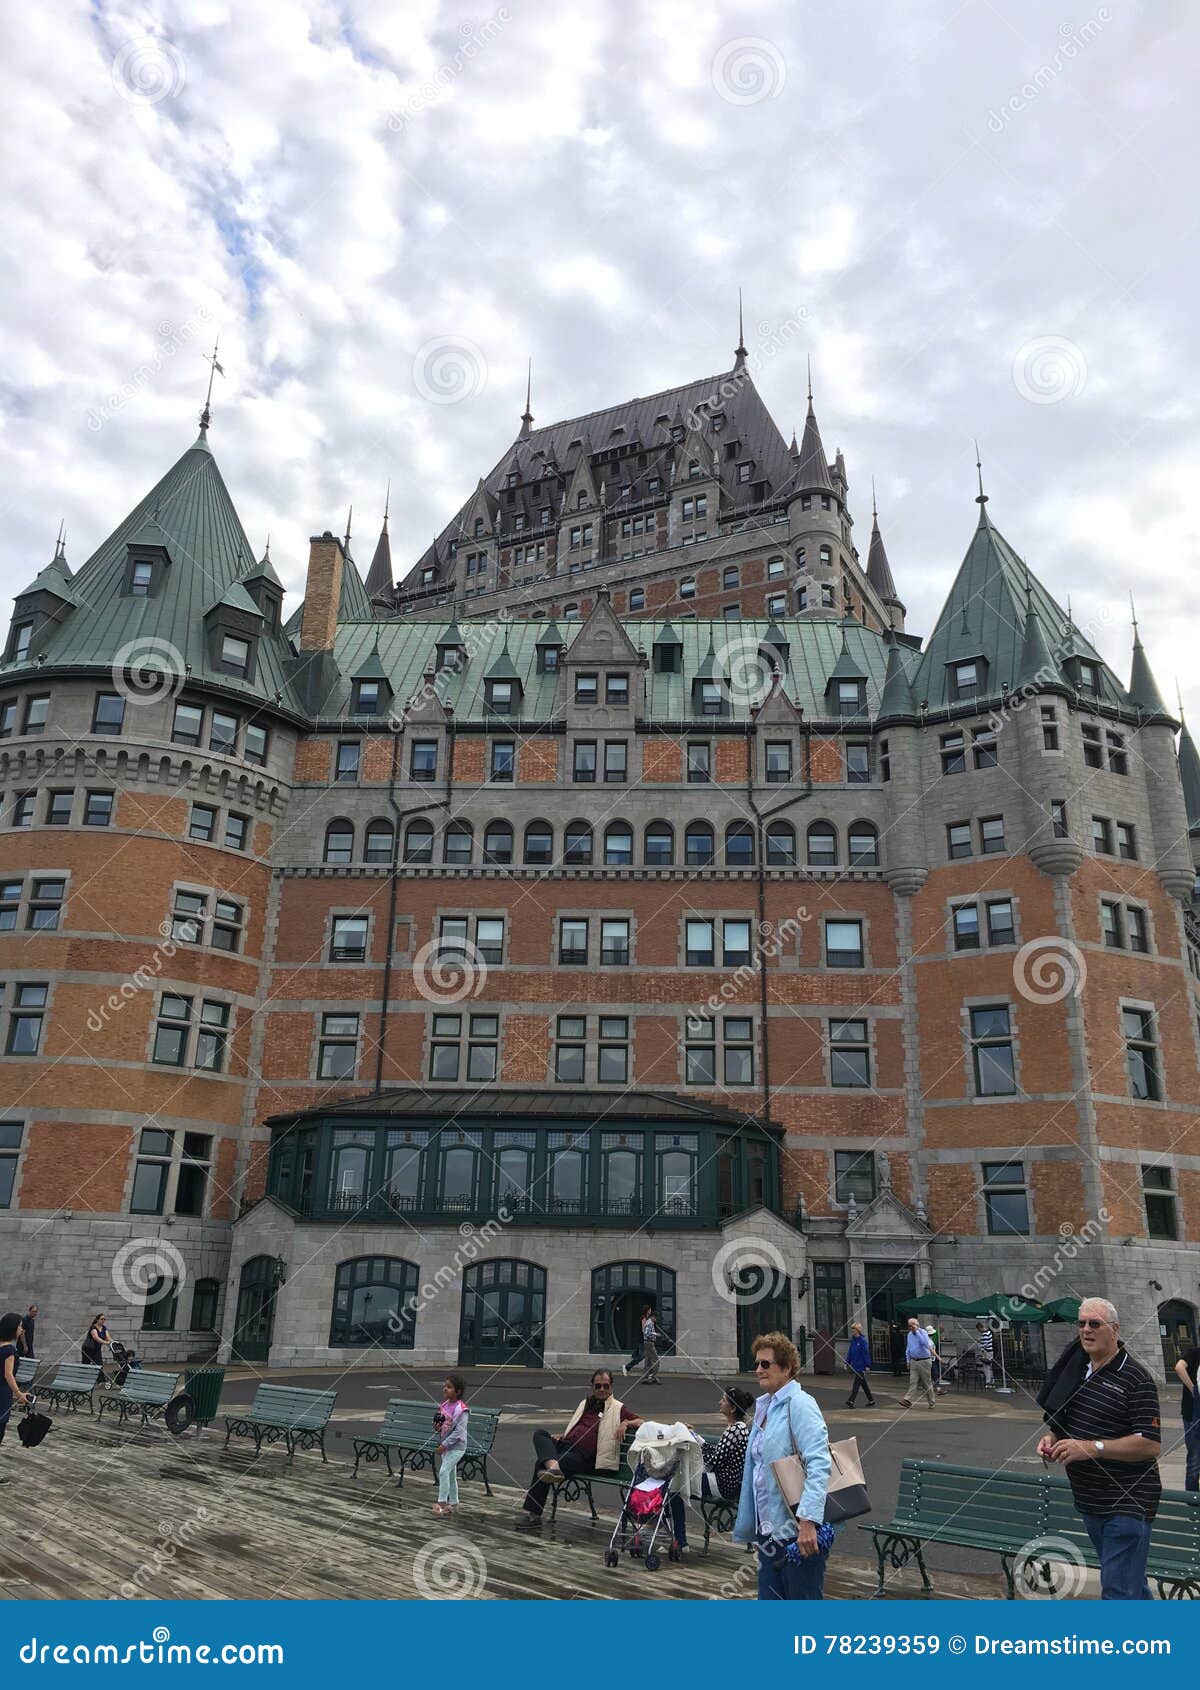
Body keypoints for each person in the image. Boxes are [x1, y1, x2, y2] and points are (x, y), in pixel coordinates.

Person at [1036, 1296, 1162, 1600]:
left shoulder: (1137, 1379)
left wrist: (1094, 1447)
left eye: (1095, 1323)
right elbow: (1064, 1424)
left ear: (1115, 1329)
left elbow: (1150, 1443)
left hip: (1127, 1500)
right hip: (1091, 1500)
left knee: (1118, 1592)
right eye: (1081, 1324)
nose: (1086, 1330)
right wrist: (1051, 1438)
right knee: (1131, 1587)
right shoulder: (1077, 1371)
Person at [733, 1331, 834, 1600]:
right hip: (770, 1531)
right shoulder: (766, 1407)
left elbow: (819, 1462)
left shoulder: (800, 1404)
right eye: (756, 1364)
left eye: (766, 1364)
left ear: (787, 1367)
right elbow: (758, 1472)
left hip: (798, 1531)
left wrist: (808, 1522)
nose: (758, 1370)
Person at [519, 1369, 641, 1525]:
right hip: (567, 1446)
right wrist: (565, 1436)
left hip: (588, 1458)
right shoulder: (586, 1404)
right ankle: (553, 1465)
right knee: (540, 1434)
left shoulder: (618, 1408)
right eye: (598, 1386)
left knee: (540, 1463)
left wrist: (626, 1423)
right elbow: (578, 1426)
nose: (602, 1389)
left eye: (605, 1386)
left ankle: (534, 1516)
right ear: (592, 1387)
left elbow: (642, 1422)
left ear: (612, 1387)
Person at [0, 1312, 31, 1482]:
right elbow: (8, 1374)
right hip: (3, 1395)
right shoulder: (9, 1349)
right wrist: (19, 1393)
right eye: (19, 1326)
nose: (21, 1329)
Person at [432, 1373, 468, 1517]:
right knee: (451, 1475)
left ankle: (441, 1503)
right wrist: (437, 1427)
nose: (445, 1389)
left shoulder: (461, 1410)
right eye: (444, 1386)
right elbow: (442, 1425)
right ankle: (454, 1503)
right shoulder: (444, 1406)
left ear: (457, 1391)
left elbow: (459, 1432)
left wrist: (444, 1444)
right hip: (447, 1446)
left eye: (449, 1387)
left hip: (457, 1447)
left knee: (443, 1471)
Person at [1173, 1342, 1200, 1492]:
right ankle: (1193, 1503)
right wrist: (1194, 1391)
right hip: (1192, 1414)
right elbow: (1179, 1367)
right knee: (1195, 1459)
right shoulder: (1194, 1353)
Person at [900, 1317, 937, 1409]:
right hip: (914, 1361)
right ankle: (907, 1399)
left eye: (913, 1325)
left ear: (917, 1325)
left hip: (924, 1361)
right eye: (909, 1326)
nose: (911, 1328)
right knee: (913, 1381)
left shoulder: (923, 1332)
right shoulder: (909, 1335)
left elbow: (924, 1343)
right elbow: (908, 1348)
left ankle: (931, 1402)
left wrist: (917, 1332)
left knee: (926, 1383)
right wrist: (908, 1360)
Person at [844, 1322, 875, 1407]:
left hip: (861, 1366)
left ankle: (851, 1400)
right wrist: (847, 1362)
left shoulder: (862, 1341)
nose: (853, 1331)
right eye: (852, 1329)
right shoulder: (853, 1341)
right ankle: (871, 1400)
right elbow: (850, 1352)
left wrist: (868, 1365)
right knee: (863, 1384)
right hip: (855, 1365)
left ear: (858, 1330)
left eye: (854, 1329)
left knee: (856, 1384)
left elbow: (865, 1353)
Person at [634, 1304, 663, 1386]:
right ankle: (653, 1376)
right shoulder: (650, 1323)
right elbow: (646, 1333)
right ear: (653, 1317)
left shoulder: (649, 1322)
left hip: (647, 1342)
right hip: (649, 1342)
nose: (656, 1319)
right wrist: (656, 1334)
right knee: (656, 1360)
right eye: (656, 1317)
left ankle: (646, 1377)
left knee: (648, 1360)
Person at [81, 1313, 111, 1382]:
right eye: (102, 1319)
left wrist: (113, 1343)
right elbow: (96, 1338)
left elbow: (108, 1337)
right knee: (85, 1364)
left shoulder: (104, 1328)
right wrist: (106, 1343)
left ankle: (101, 1381)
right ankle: (82, 1379)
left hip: (97, 1349)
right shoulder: (93, 1327)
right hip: (88, 1349)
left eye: (104, 1319)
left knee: (99, 1364)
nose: (103, 1321)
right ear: (97, 1319)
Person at [976, 1320, 995, 1388]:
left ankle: (988, 1382)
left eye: (978, 1329)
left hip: (987, 1352)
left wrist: (979, 1342)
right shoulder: (989, 1332)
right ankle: (992, 1382)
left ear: (980, 1328)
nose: (979, 1331)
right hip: (990, 1351)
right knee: (989, 1367)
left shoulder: (985, 1334)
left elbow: (984, 1345)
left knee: (986, 1367)